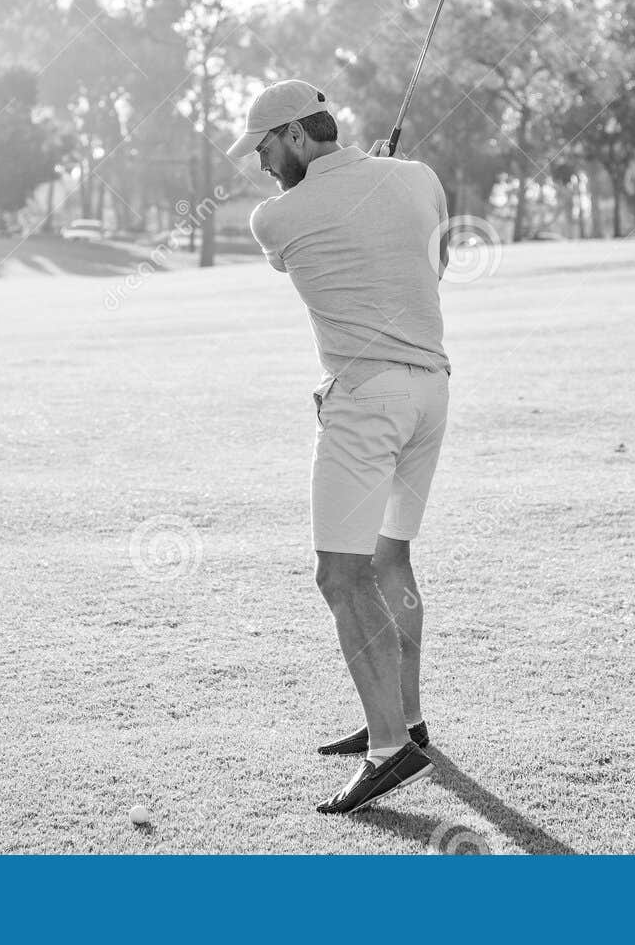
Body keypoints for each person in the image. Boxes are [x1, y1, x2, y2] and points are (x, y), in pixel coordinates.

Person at [227, 79, 452, 815]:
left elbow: (313, 248)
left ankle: (390, 750)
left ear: (295, 136)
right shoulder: (418, 178)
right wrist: (374, 182)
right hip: (431, 391)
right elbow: (429, 267)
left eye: (264, 147)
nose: (260, 164)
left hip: (366, 402)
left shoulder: (277, 217)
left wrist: (351, 191)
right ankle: (408, 720)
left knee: (339, 576)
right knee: (391, 558)